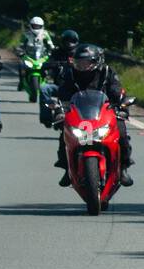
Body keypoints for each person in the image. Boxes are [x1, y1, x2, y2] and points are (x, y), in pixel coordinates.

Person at [52, 43, 134, 187]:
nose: (82, 66)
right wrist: (59, 110)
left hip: (104, 112)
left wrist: (122, 107)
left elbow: (117, 91)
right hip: (79, 113)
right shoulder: (70, 74)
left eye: (86, 63)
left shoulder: (107, 72)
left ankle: (124, 168)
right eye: (79, 63)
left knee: (121, 132)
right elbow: (63, 93)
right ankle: (67, 169)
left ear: (97, 61)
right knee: (65, 135)